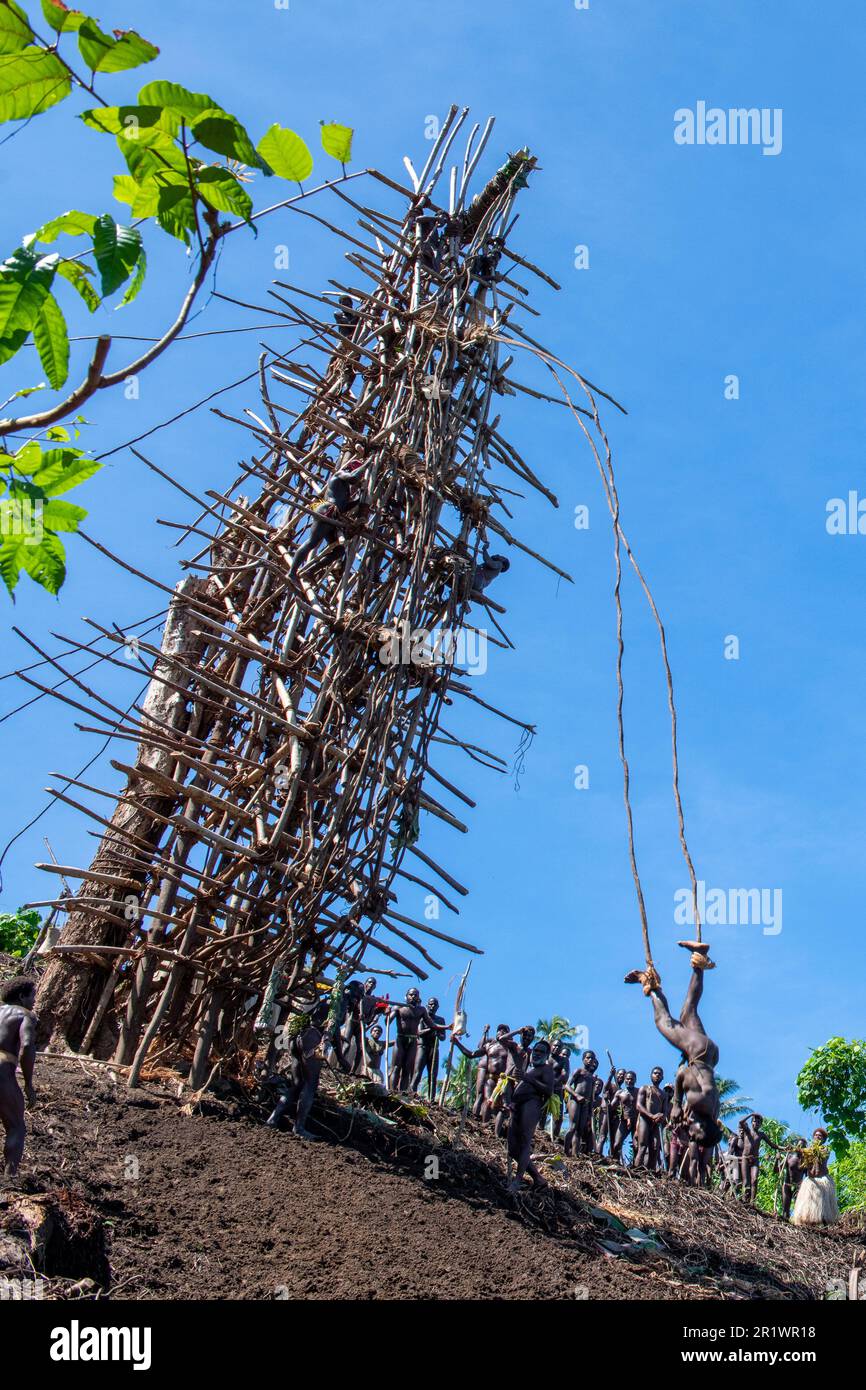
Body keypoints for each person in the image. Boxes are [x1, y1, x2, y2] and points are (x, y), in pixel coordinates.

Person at [625, 940, 724, 1156]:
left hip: (709, 1054)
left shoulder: (711, 1110)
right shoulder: (699, 1103)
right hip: (697, 1052)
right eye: (694, 1135)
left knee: (688, 1010)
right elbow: (682, 1074)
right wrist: (677, 1103)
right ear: (702, 1127)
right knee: (664, 1022)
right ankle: (648, 981)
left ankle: (699, 960)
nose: (690, 1134)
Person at [289, 450, 369, 580]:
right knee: (312, 542)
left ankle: (310, 571)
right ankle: (292, 572)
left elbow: (344, 507)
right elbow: (353, 478)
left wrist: (360, 499)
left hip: (334, 515)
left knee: (339, 551)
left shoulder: (344, 489)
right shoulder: (340, 474)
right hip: (327, 510)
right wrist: (367, 464)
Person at [265, 999, 328, 1139]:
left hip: (298, 1038)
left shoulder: (323, 1003)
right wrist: (340, 1057)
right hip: (312, 1039)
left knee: (297, 1084)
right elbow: (331, 1029)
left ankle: (272, 1119)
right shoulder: (339, 1005)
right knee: (310, 1084)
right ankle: (299, 1128)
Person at [505, 1037, 555, 1193]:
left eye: (541, 1052)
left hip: (532, 1104)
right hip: (517, 1106)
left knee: (525, 1141)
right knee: (512, 1149)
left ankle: (517, 1180)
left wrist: (528, 1079)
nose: (537, 1053)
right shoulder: (530, 1069)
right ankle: (538, 1179)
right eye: (535, 1050)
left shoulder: (546, 1069)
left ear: (547, 1055)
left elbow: (549, 1090)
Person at [0, 977, 37, 1178]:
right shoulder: (25, 1015)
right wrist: (28, 1084)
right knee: (16, 1127)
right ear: (22, 997)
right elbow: (27, 1046)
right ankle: (10, 1178)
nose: (34, 1001)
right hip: (2, 1071)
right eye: (33, 996)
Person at [387, 988, 434, 1092]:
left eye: (415, 995)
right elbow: (387, 1022)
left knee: (407, 1069)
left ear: (418, 997)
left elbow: (432, 1025)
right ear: (406, 996)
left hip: (412, 1040)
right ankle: (392, 1091)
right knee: (396, 1067)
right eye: (411, 994)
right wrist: (387, 1014)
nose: (413, 996)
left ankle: (402, 1093)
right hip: (400, 1039)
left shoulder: (421, 1010)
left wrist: (446, 1027)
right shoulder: (399, 1007)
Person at [791, 1128, 839, 1226]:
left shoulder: (825, 1150)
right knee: (808, 1206)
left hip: (823, 1180)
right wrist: (800, 1152)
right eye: (816, 1135)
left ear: (824, 1139)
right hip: (810, 1180)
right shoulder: (808, 1150)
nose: (817, 1137)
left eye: (820, 1136)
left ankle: (826, 1224)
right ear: (813, 1137)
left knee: (824, 1205)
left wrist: (815, 1152)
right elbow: (802, 1165)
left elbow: (823, 1158)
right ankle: (808, 1223)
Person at [564, 1049, 600, 1156]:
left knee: (579, 1130)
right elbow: (567, 1085)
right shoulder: (579, 1071)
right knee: (573, 1127)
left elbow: (591, 1095)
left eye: (592, 1058)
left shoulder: (592, 1078)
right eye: (588, 1058)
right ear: (583, 1059)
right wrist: (576, 1095)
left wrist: (590, 1109)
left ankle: (575, 1154)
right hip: (575, 1101)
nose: (590, 1060)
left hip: (585, 1104)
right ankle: (566, 1151)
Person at [411, 996, 447, 1097]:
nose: (432, 1006)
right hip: (422, 1047)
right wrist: (433, 1027)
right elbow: (419, 1033)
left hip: (434, 1049)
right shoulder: (422, 1017)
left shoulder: (440, 1020)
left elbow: (443, 1037)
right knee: (417, 1072)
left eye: (435, 1005)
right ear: (427, 1005)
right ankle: (412, 1093)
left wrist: (438, 1033)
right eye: (431, 1004)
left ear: (438, 1007)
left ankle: (431, 1098)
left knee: (433, 1075)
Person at [635, 1066, 667, 1170]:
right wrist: (651, 1116)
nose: (657, 1075)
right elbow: (639, 1106)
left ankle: (651, 1172)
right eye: (655, 1073)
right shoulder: (644, 1088)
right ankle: (636, 1170)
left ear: (662, 1077)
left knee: (655, 1148)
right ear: (651, 1075)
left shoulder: (664, 1094)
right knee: (643, 1146)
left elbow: (665, 1111)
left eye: (659, 1074)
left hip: (656, 1123)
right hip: (645, 1119)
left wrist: (661, 1117)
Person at [596, 1065, 625, 1156]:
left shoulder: (622, 1091)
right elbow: (605, 1089)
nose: (621, 1076)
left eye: (623, 1075)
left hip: (615, 1115)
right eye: (619, 1074)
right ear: (616, 1074)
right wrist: (610, 1075)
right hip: (606, 1112)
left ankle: (612, 1157)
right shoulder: (611, 1085)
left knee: (614, 1139)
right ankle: (597, 1155)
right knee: (602, 1136)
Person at [612, 1070, 638, 1163]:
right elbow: (612, 1106)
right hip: (624, 1121)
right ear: (625, 1080)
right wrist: (607, 1100)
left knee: (636, 1145)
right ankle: (615, 1162)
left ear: (635, 1080)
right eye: (627, 1079)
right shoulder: (620, 1092)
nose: (629, 1081)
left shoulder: (639, 1092)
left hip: (636, 1122)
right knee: (617, 1144)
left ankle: (636, 1165)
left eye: (631, 1079)